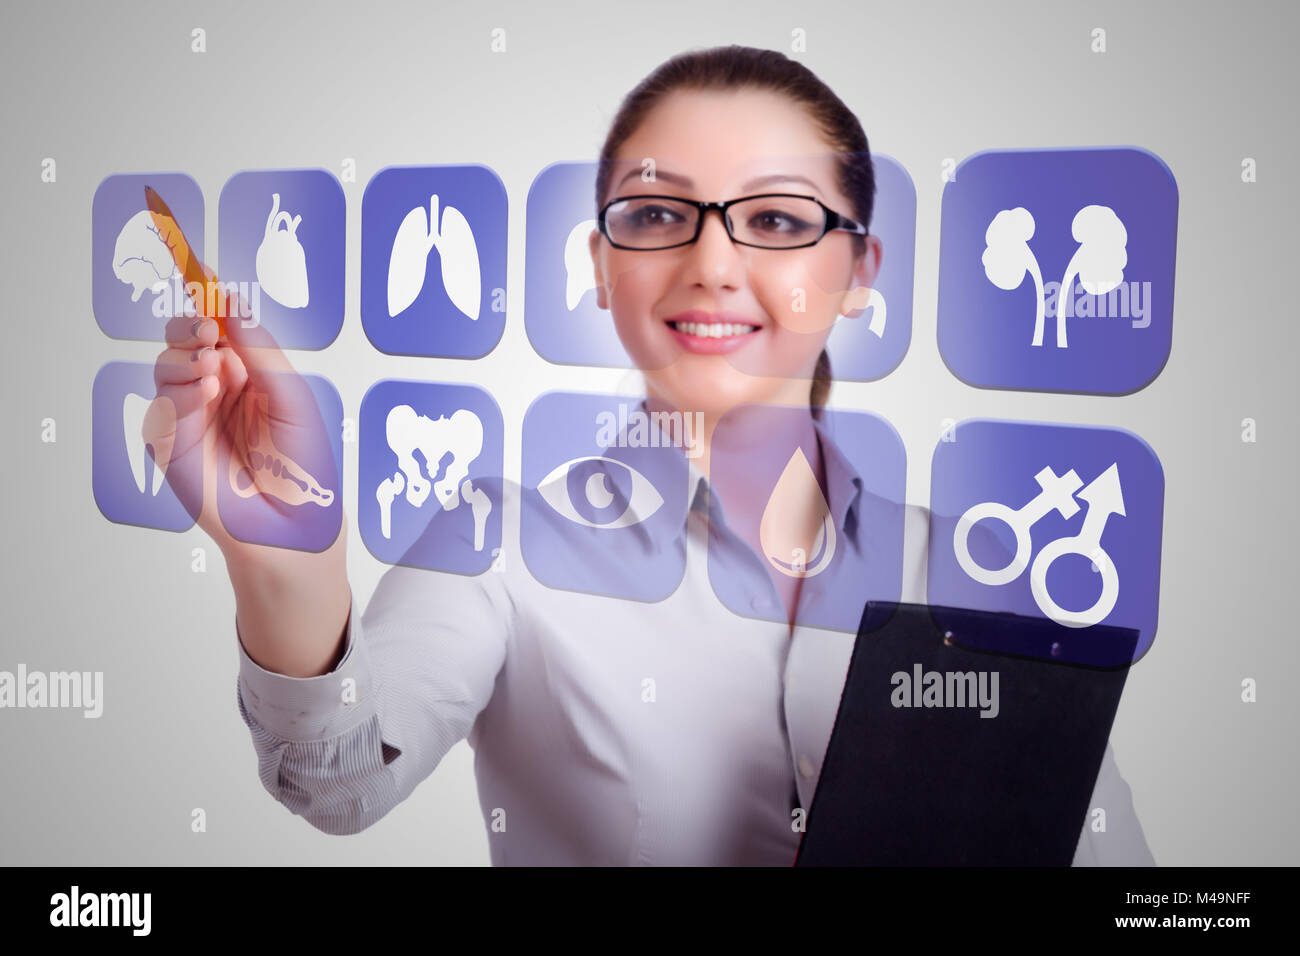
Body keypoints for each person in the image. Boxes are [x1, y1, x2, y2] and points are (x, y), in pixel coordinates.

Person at [151, 45, 1154, 865]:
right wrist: (283, 568)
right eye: (658, 214)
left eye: (774, 219)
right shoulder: (496, 543)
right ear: (600, 263)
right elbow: (336, 779)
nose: (713, 264)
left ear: (858, 271)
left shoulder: (970, 573)